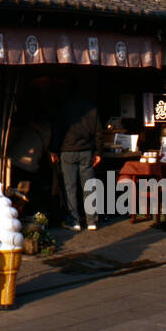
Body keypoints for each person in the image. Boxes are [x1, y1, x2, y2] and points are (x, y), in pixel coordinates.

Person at [55, 95, 101, 230]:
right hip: (86, 150)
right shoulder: (91, 108)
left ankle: (74, 221)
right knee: (89, 187)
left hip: (67, 151)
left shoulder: (63, 107)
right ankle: (91, 221)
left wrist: (53, 149)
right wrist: (98, 152)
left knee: (70, 188)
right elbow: (98, 132)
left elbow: (58, 130)